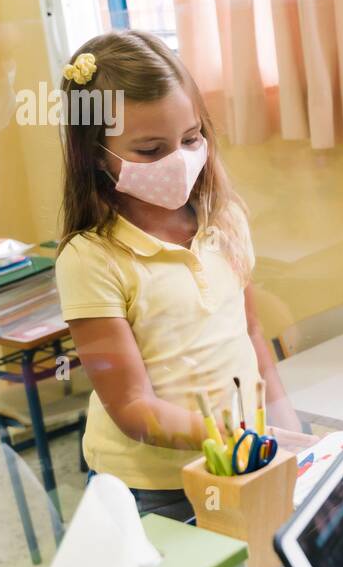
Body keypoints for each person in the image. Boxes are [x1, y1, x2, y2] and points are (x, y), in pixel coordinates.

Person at [54, 30, 312, 521]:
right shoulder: (91, 258)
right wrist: (226, 435)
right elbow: (130, 405)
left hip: (241, 457)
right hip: (154, 487)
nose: (178, 159)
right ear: (94, 154)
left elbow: (252, 333)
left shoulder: (224, 219)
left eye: (192, 139)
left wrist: (284, 422)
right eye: (150, 150)